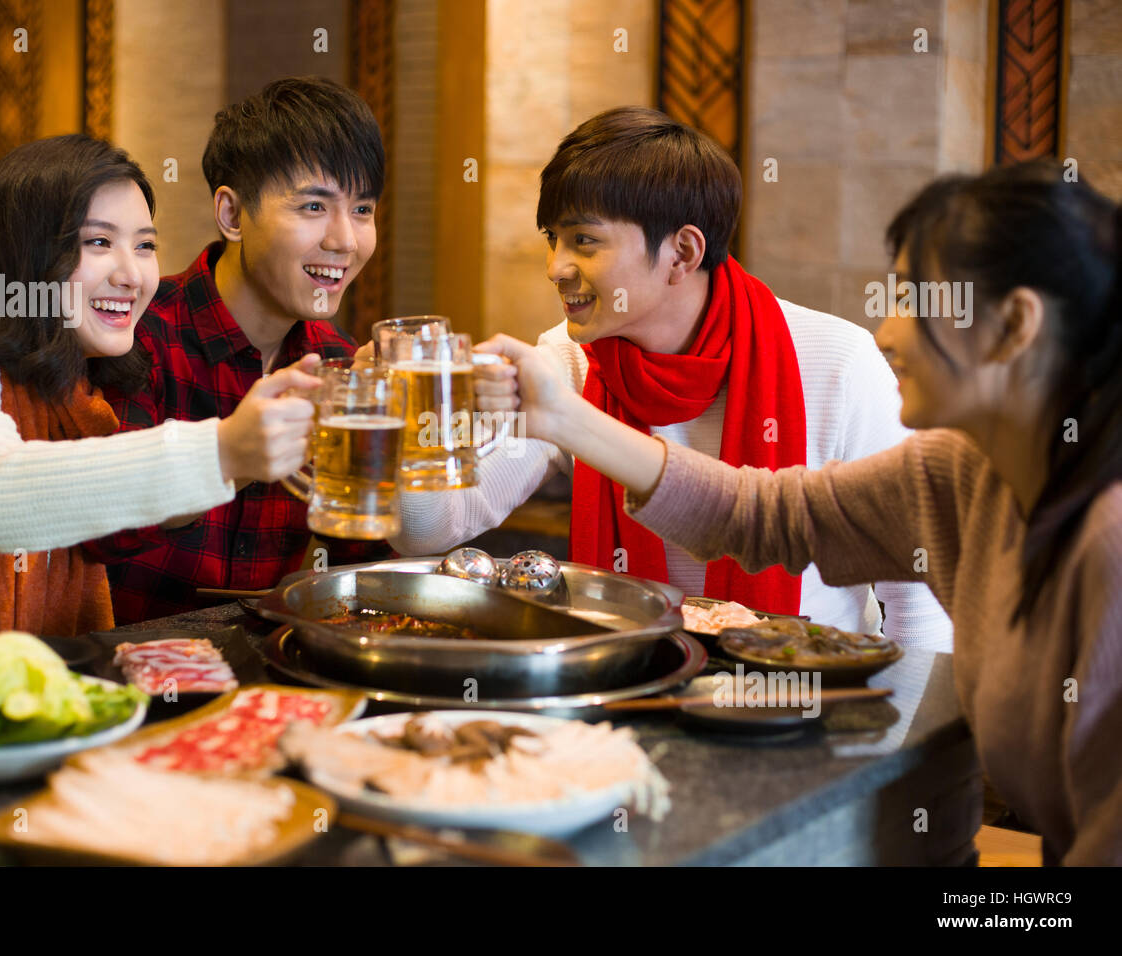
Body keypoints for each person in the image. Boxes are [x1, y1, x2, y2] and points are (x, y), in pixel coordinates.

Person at [476, 160, 1122, 865]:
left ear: (1013, 326)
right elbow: (760, 515)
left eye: (911, 299)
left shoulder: (1109, 541)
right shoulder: (959, 474)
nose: (886, 332)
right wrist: (565, 417)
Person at [391, 107, 951, 649]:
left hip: (807, 699)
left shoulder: (837, 362)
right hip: (634, 682)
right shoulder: (567, 357)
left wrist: (887, 737)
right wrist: (410, 421)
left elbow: (918, 601)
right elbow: (432, 528)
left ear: (682, 252)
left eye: (583, 240)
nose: (555, 267)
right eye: (552, 239)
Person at [0, 135, 320, 670]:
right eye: (98, 243)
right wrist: (221, 452)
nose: (131, 274)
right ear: (23, 254)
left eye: (145, 245)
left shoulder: (76, 394)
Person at [83, 77, 392, 624]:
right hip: (123, 677)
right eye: (315, 206)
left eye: (363, 209)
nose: (345, 239)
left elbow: (358, 561)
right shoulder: (134, 335)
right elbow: (94, 526)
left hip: (269, 673)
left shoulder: (341, 361)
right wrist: (238, 457)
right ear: (232, 215)